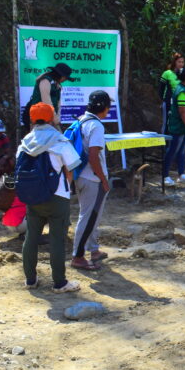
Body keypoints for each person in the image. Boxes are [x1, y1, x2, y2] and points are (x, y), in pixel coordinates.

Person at [17, 102, 81, 293]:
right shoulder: (59, 141)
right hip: (57, 197)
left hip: (32, 197)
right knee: (57, 240)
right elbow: (71, 168)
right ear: (52, 118)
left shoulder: (25, 143)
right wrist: (66, 188)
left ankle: (30, 280)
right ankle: (59, 283)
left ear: (31, 119)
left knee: (31, 237)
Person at [71, 91, 112, 272]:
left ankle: (94, 250)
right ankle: (78, 256)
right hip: (92, 179)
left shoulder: (82, 120)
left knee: (91, 216)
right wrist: (103, 179)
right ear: (103, 107)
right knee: (87, 218)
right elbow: (94, 156)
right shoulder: (96, 126)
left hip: (82, 176)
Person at [162, 67, 185, 186]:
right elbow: (182, 111)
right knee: (172, 151)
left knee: (181, 151)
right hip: (179, 127)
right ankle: (165, 177)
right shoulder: (182, 91)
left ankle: (181, 174)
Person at [22, 62, 74, 131]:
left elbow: (58, 104)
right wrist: (55, 120)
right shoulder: (45, 81)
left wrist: (57, 119)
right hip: (39, 120)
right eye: (65, 77)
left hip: (50, 119)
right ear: (60, 75)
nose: (65, 80)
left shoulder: (57, 85)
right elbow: (47, 103)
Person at [159, 53, 185, 132]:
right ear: (174, 62)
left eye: (182, 62)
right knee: (166, 123)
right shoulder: (167, 73)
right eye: (179, 62)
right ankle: (163, 143)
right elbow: (161, 89)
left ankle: (172, 143)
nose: (181, 64)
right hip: (168, 103)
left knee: (176, 124)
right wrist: (164, 100)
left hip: (180, 104)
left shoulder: (184, 75)